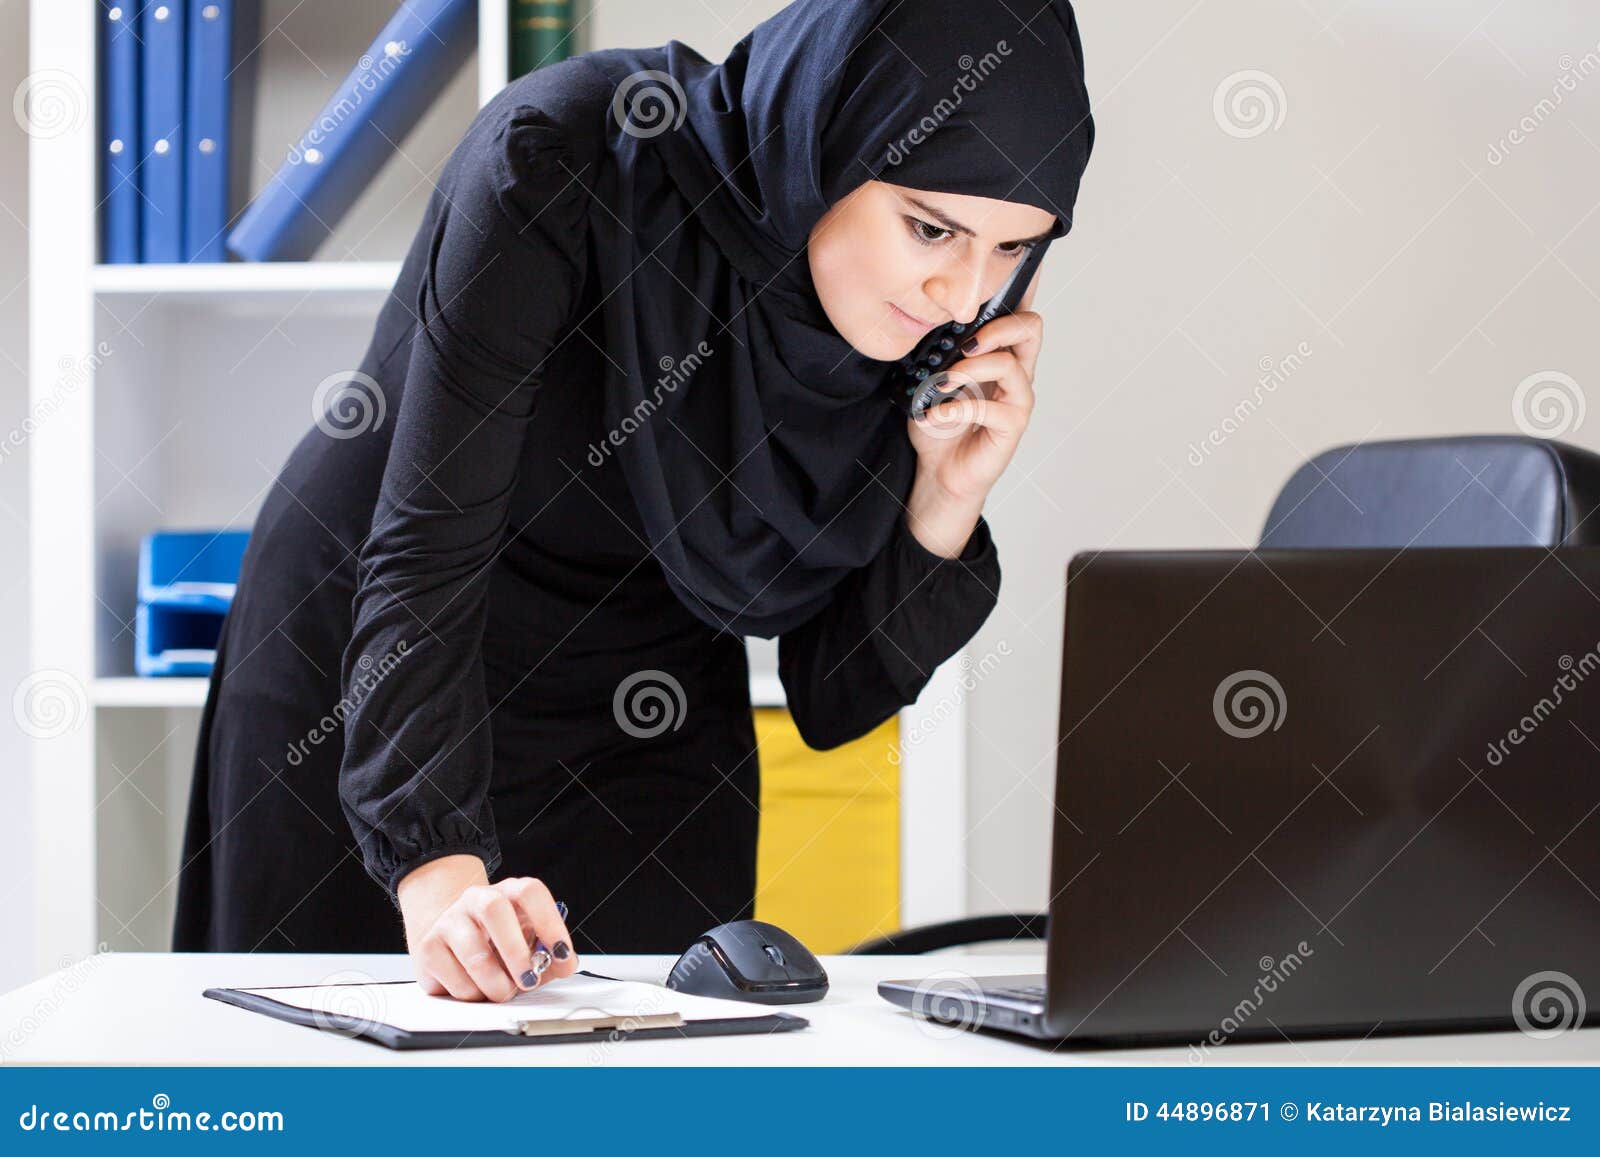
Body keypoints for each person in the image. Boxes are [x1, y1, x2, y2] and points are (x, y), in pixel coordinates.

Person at [172, 0, 1095, 1003]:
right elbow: (426, 550)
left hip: (643, 691)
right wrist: (437, 873)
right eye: (931, 227)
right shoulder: (566, 153)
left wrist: (944, 494)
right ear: (825, 141)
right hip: (385, 653)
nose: (964, 295)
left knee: (654, 1071)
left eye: (1013, 250)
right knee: (344, 1084)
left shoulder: (902, 329)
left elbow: (833, 698)